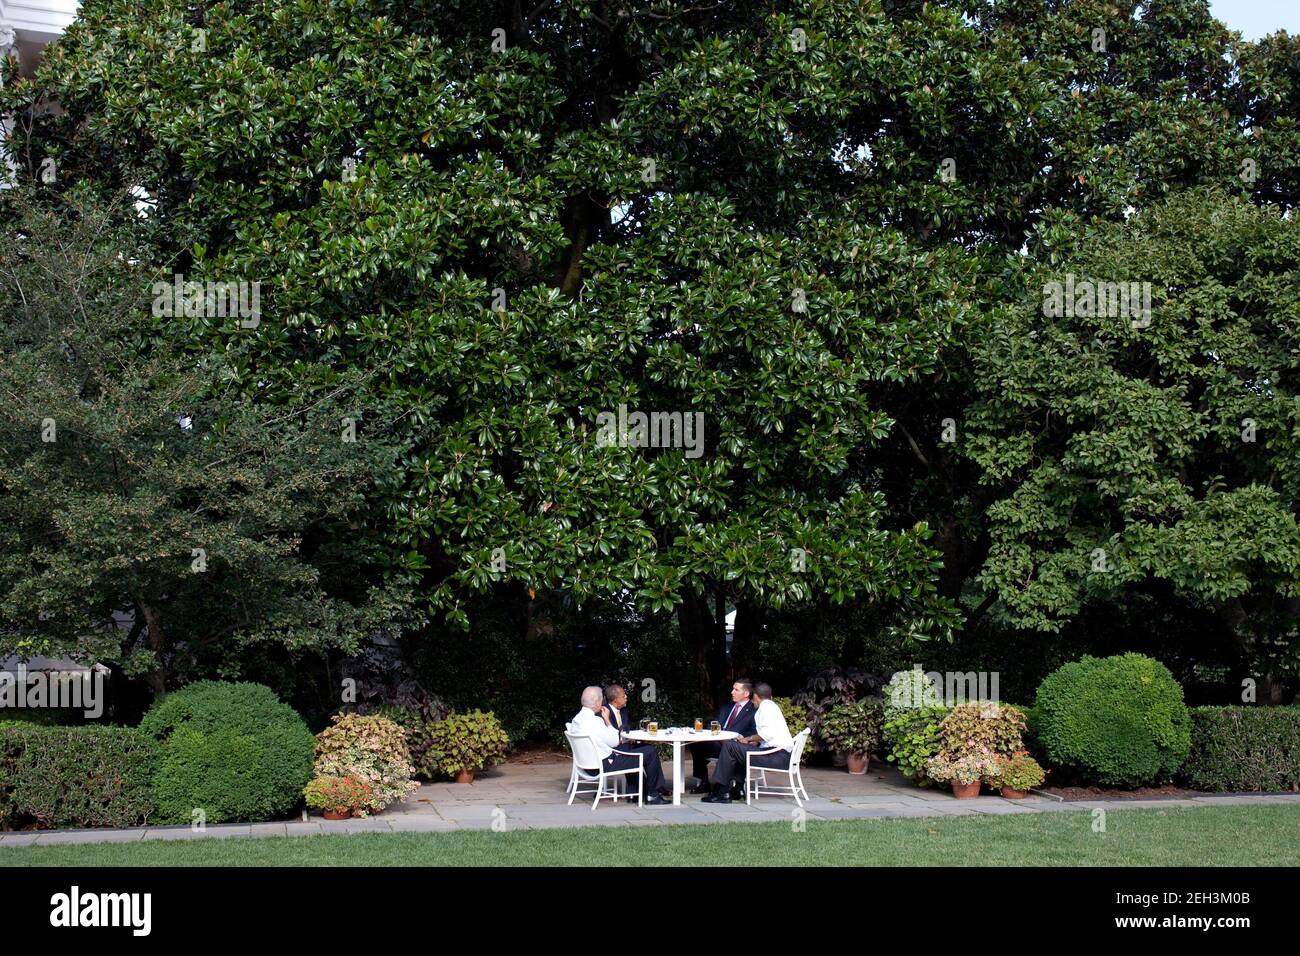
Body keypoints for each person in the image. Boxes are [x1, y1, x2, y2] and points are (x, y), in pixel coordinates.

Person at [570, 686, 668, 804]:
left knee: (635, 750)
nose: (603, 702)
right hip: (604, 764)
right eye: (601, 700)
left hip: (586, 766)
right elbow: (614, 741)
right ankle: (652, 795)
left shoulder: (577, 720)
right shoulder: (595, 721)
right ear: (597, 702)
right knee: (650, 752)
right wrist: (607, 720)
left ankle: (637, 792)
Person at [701, 682, 793, 804]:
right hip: (779, 755)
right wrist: (754, 743)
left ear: (755, 696)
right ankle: (737, 789)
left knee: (730, 747)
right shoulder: (771, 706)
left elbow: (767, 733)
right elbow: (770, 735)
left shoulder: (765, 708)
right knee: (738, 748)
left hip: (776, 757)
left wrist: (749, 739)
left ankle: (721, 792)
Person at [687, 678, 758, 793]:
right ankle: (704, 782)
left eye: (736, 690)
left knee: (730, 746)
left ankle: (732, 786)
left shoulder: (753, 711)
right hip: (718, 744)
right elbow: (714, 724)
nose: (732, 692)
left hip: (735, 746)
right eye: (732, 689)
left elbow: (753, 732)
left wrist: (738, 738)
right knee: (696, 744)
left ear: (746, 694)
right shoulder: (727, 707)